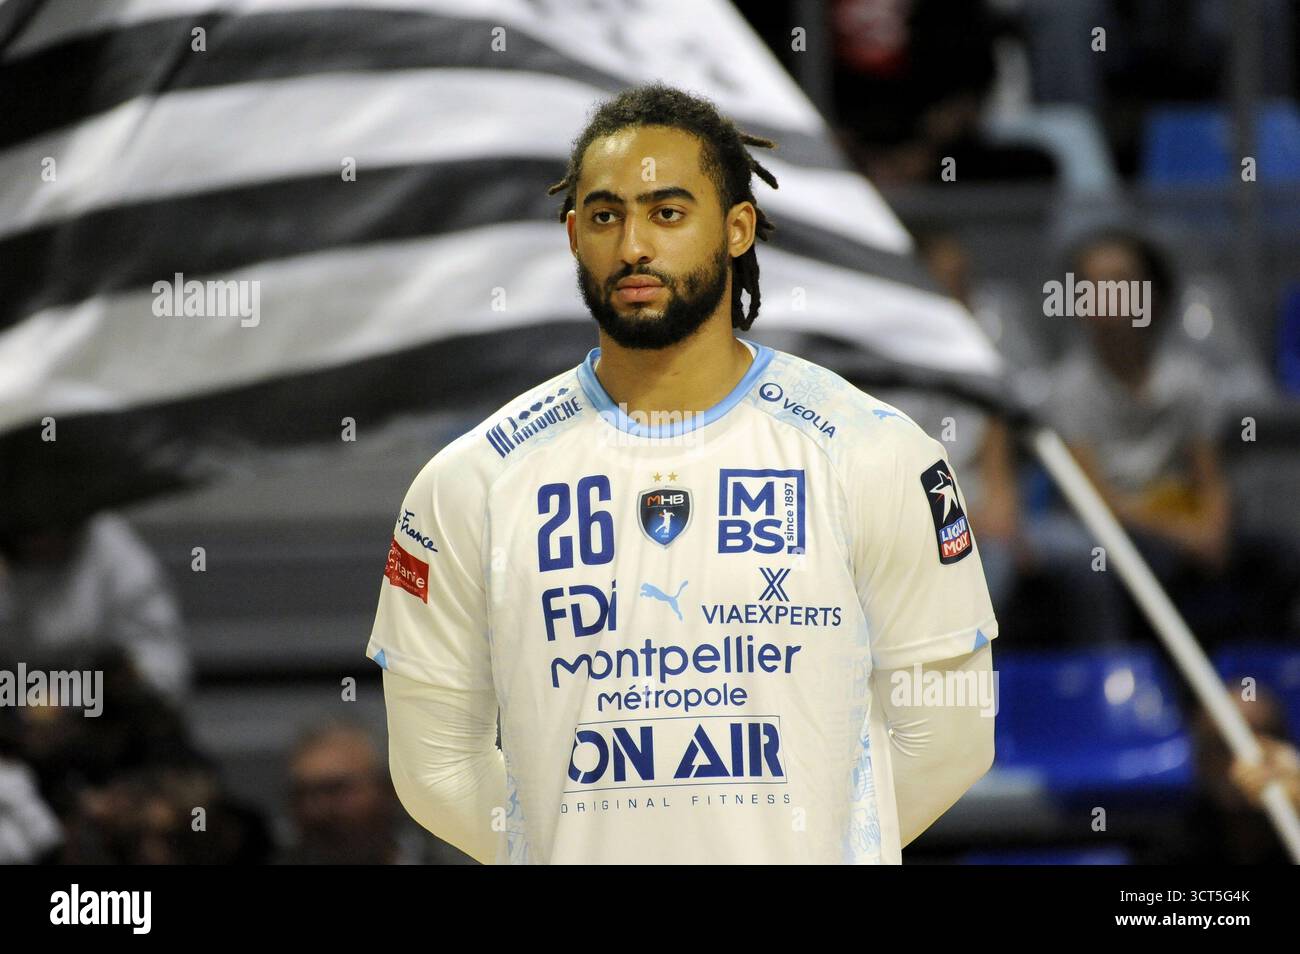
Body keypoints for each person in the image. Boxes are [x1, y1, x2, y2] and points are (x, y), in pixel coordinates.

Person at [366, 83, 1000, 864]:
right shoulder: (469, 481)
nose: (633, 244)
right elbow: (436, 765)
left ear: (736, 228)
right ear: (572, 235)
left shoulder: (874, 452)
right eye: (605, 215)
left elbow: (950, 735)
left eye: (667, 212)